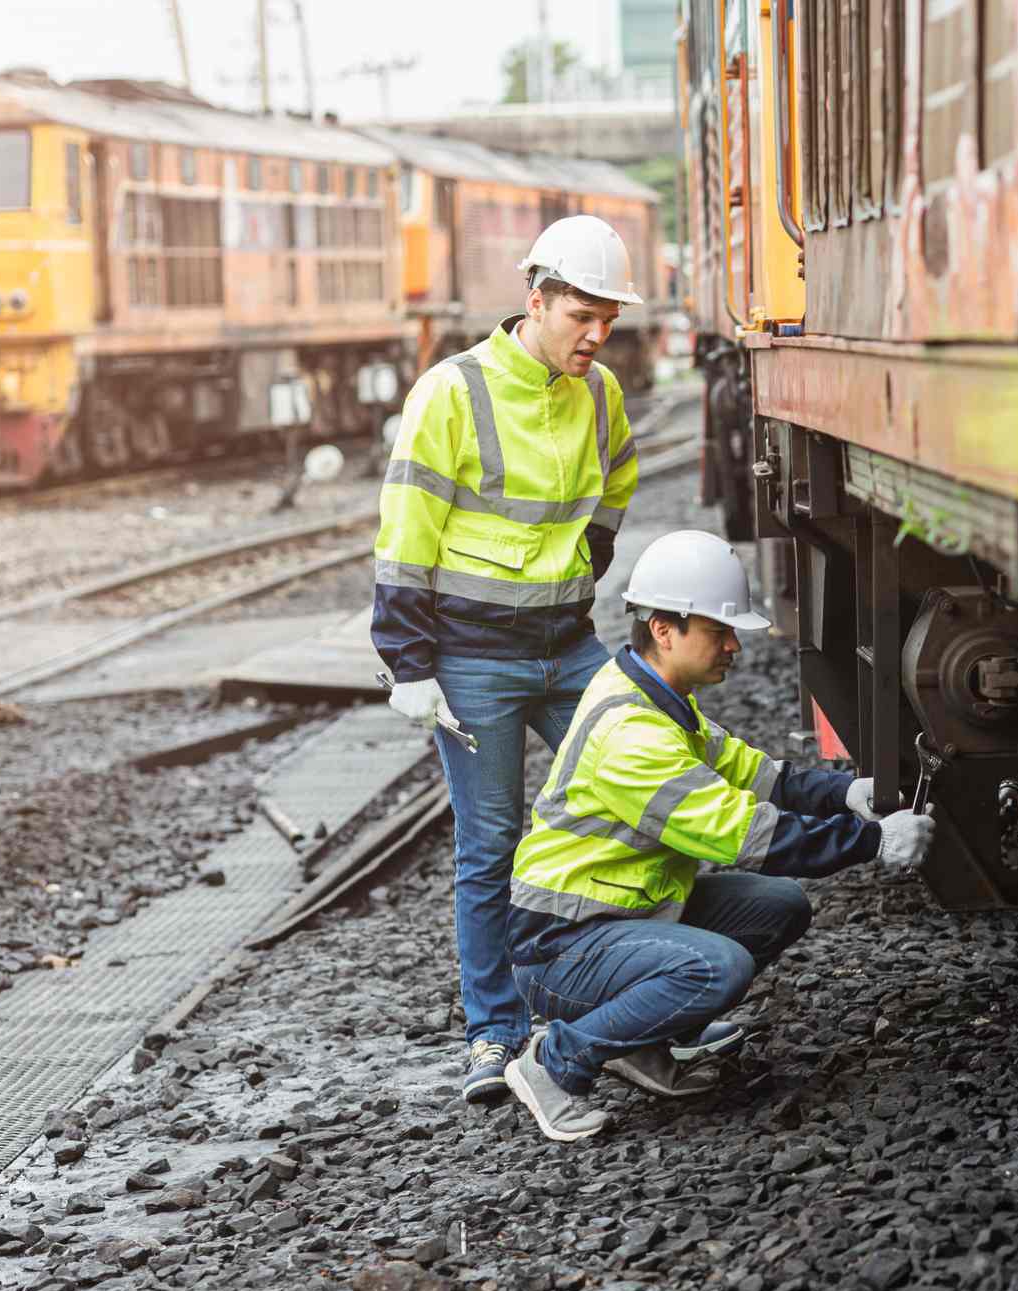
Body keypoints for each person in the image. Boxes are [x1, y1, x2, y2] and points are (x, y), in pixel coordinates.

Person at [499, 530, 938, 1142]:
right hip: (561, 946)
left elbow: (753, 773)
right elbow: (746, 835)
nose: (734, 645)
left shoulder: (658, 698)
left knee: (778, 905)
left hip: (619, 916)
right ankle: (556, 1064)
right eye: (718, 630)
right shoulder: (633, 736)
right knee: (716, 968)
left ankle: (640, 1040)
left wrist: (843, 794)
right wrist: (873, 844)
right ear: (663, 629)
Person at [371, 215, 645, 1104]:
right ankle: (494, 1033)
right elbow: (408, 529)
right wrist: (407, 663)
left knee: (638, 801)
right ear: (537, 302)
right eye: (581, 316)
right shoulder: (451, 393)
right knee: (491, 848)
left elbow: (616, 482)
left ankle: (631, 998)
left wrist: (580, 567)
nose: (596, 335)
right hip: (473, 662)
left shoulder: (599, 395)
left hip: (567, 646)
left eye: (609, 319)